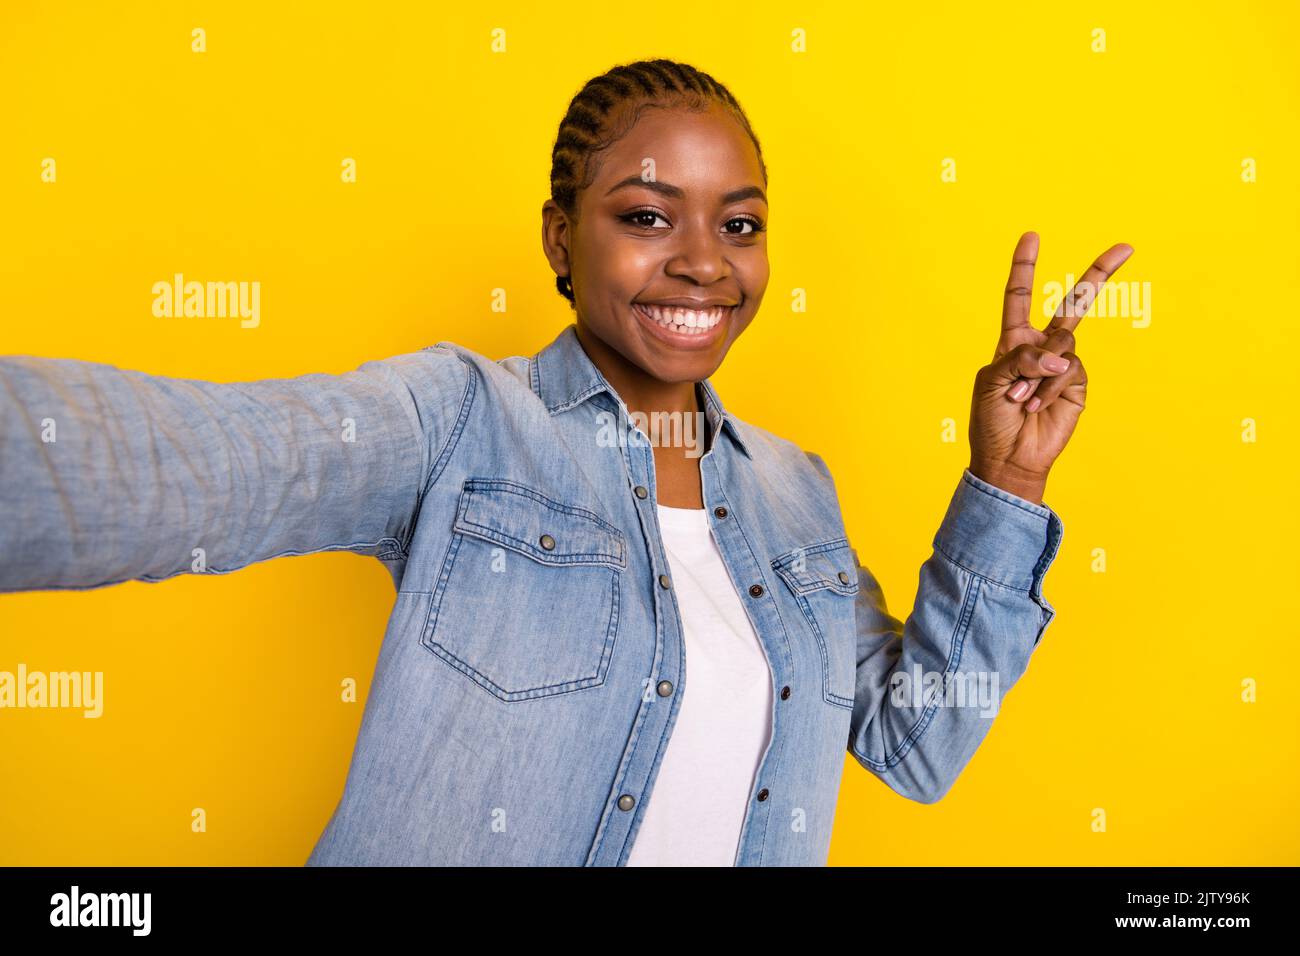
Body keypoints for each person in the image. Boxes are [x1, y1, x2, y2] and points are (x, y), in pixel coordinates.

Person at [0, 58, 1132, 866]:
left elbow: (915, 741)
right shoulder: (461, 420)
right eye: (647, 216)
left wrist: (1008, 484)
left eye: (739, 225)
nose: (703, 265)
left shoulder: (797, 493)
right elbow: (184, 465)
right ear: (559, 236)